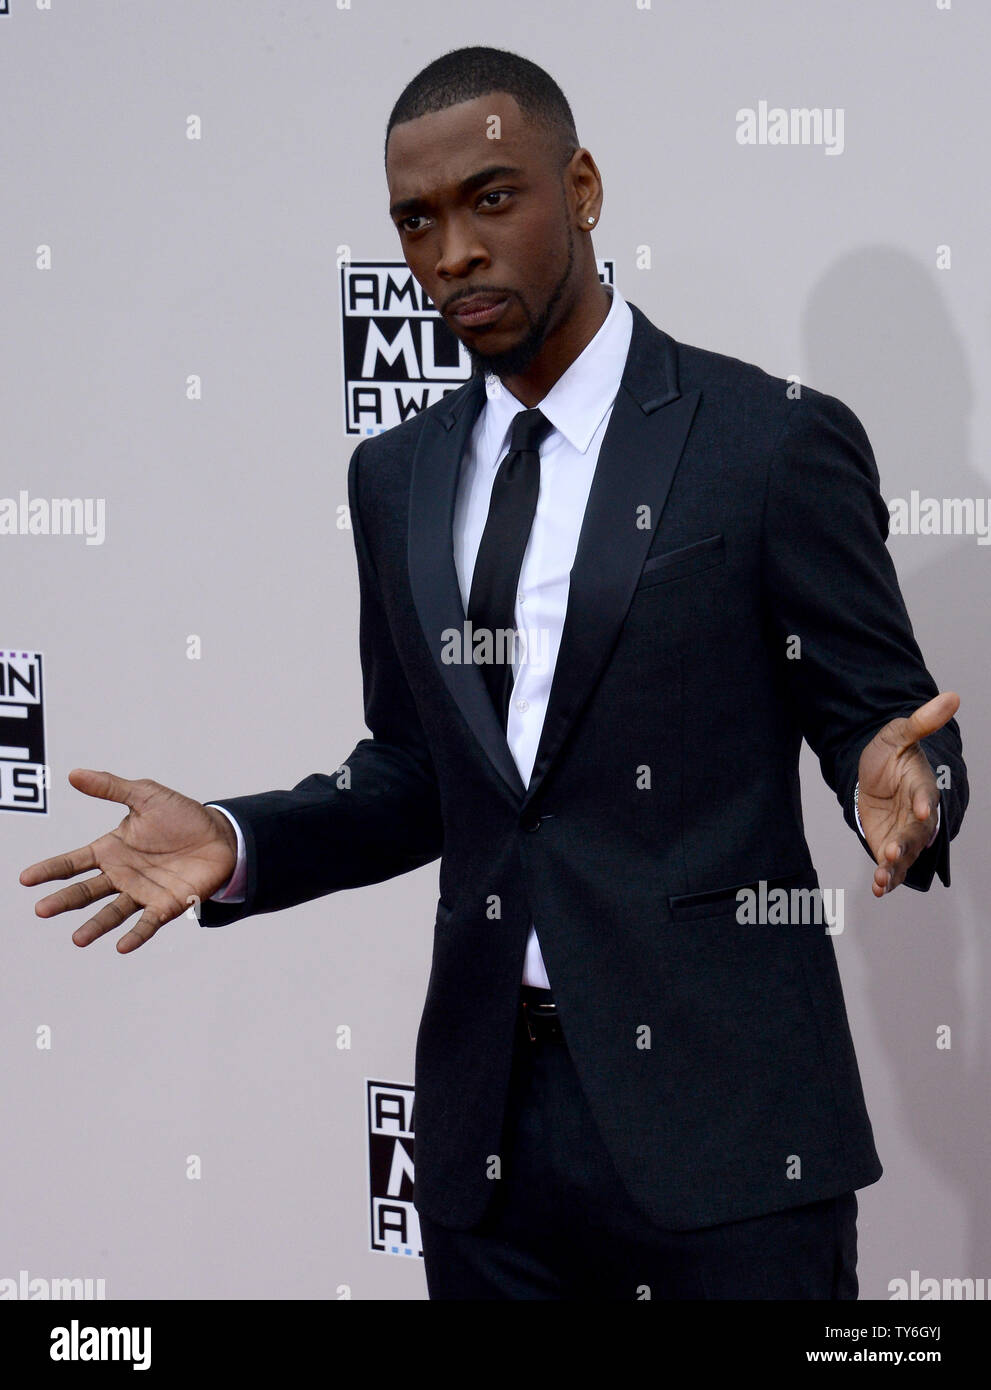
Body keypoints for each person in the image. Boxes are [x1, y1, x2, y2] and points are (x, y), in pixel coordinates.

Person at [20, 46, 967, 1301]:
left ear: (579, 187)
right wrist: (241, 839)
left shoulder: (765, 442)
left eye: (491, 198)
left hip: (728, 1141)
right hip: (485, 1148)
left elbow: (884, 720)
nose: (452, 250)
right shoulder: (395, 478)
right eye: (417, 220)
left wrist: (906, 781)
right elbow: (421, 771)